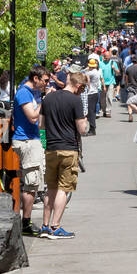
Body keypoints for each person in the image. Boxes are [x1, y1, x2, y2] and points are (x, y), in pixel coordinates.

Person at [41, 70, 88, 239]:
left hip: (51, 148)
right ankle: (56, 226)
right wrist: (86, 121)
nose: (81, 91)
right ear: (78, 85)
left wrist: (47, 141)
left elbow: (41, 125)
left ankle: (45, 226)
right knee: (63, 188)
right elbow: (82, 129)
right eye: (82, 88)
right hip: (68, 148)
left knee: (50, 188)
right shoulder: (75, 101)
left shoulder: (48, 99)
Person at [12, 65, 49, 237]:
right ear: (36, 79)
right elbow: (32, 116)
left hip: (32, 138)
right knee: (31, 183)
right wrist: (44, 101)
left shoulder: (31, 92)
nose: (46, 84)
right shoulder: (24, 93)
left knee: (34, 183)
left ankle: (26, 221)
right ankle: (25, 223)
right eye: (45, 80)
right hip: (25, 140)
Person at [85, 55, 101, 133]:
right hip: (95, 92)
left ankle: (92, 129)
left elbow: (86, 77)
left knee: (90, 111)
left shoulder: (90, 73)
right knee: (93, 111)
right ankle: (92, 127)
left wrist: (87, 86)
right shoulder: (97, 72)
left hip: (90, 93)